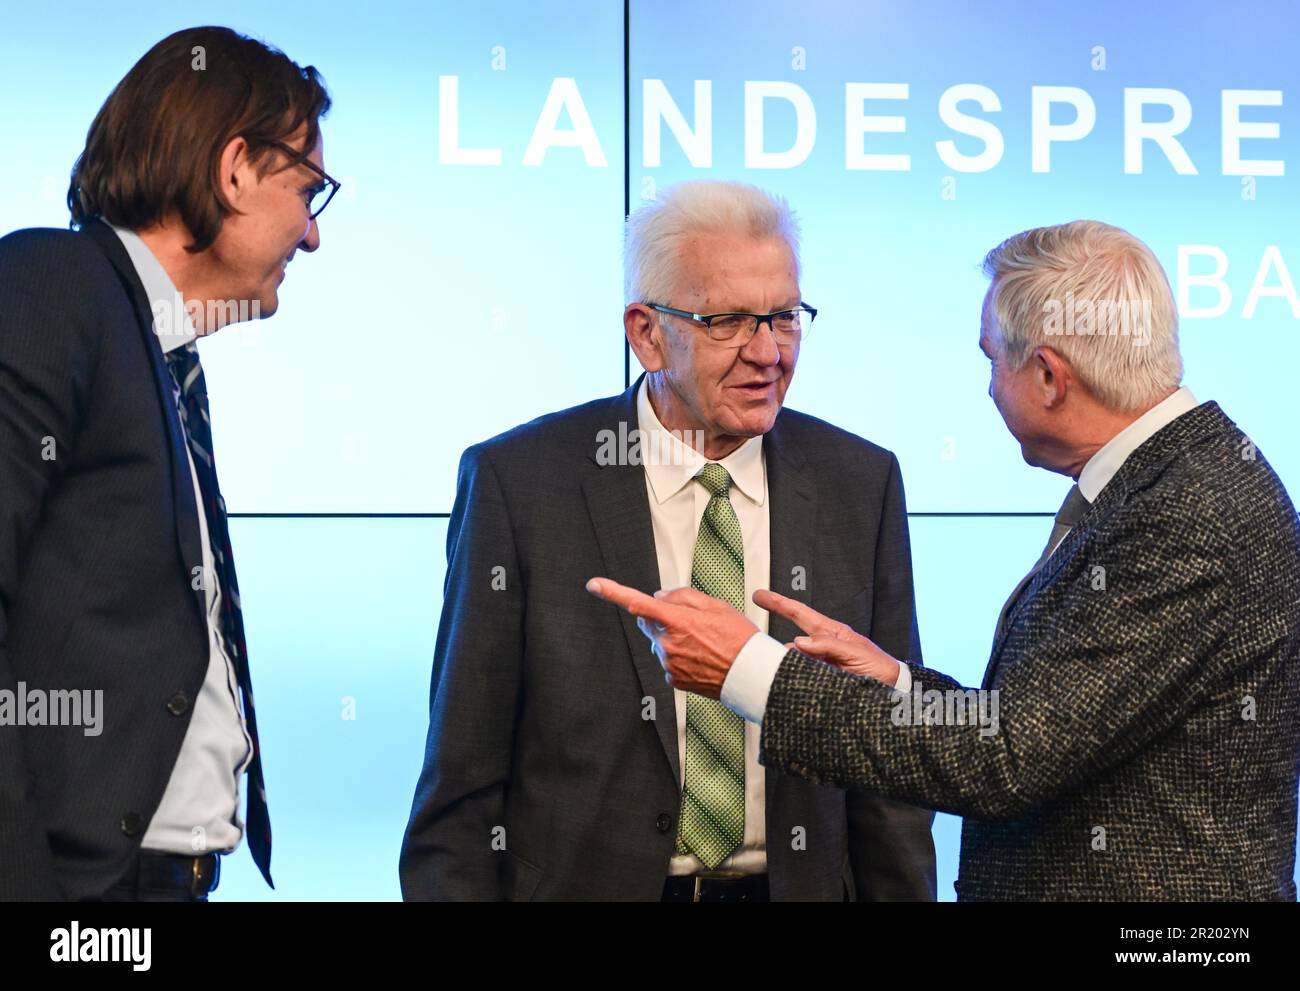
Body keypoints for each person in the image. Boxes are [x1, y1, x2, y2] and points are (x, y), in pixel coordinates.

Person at [590, 219, 1300, 901]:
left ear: (1050, 376)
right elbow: (1044, 722)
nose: (989, 386)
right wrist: (897, 681)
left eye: (993, 359)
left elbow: (1008, 757)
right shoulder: (1171, 481)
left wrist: (748, 670)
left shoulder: (1187, 513)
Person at [401, 180, 936, 901]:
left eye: (784, 317)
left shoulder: (859, 482)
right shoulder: (522, 483)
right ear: (646, 332)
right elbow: (461, 785)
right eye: (727, 321)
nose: (768, 351)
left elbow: (890, 781)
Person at [0, 25, 336, 901]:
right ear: (234, 170)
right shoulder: (53, 284)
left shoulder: (163, 356)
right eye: (309, 191)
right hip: (82, 890)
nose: (311, 237)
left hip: (168, 882)